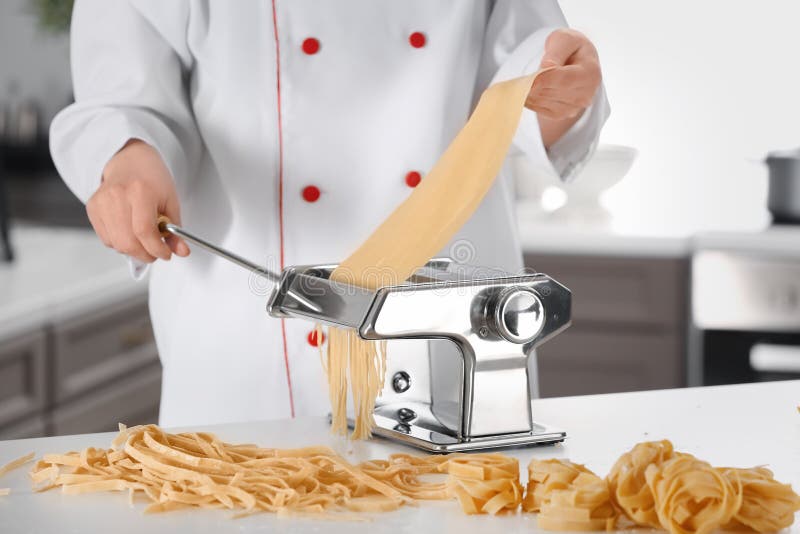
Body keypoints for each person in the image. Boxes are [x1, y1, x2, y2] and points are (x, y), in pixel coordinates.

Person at [51, 1, 609, 428]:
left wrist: (560, 85)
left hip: (447, 330)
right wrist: (128, 158)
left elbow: (523, 68)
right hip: (245, 345)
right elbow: (122, 94)